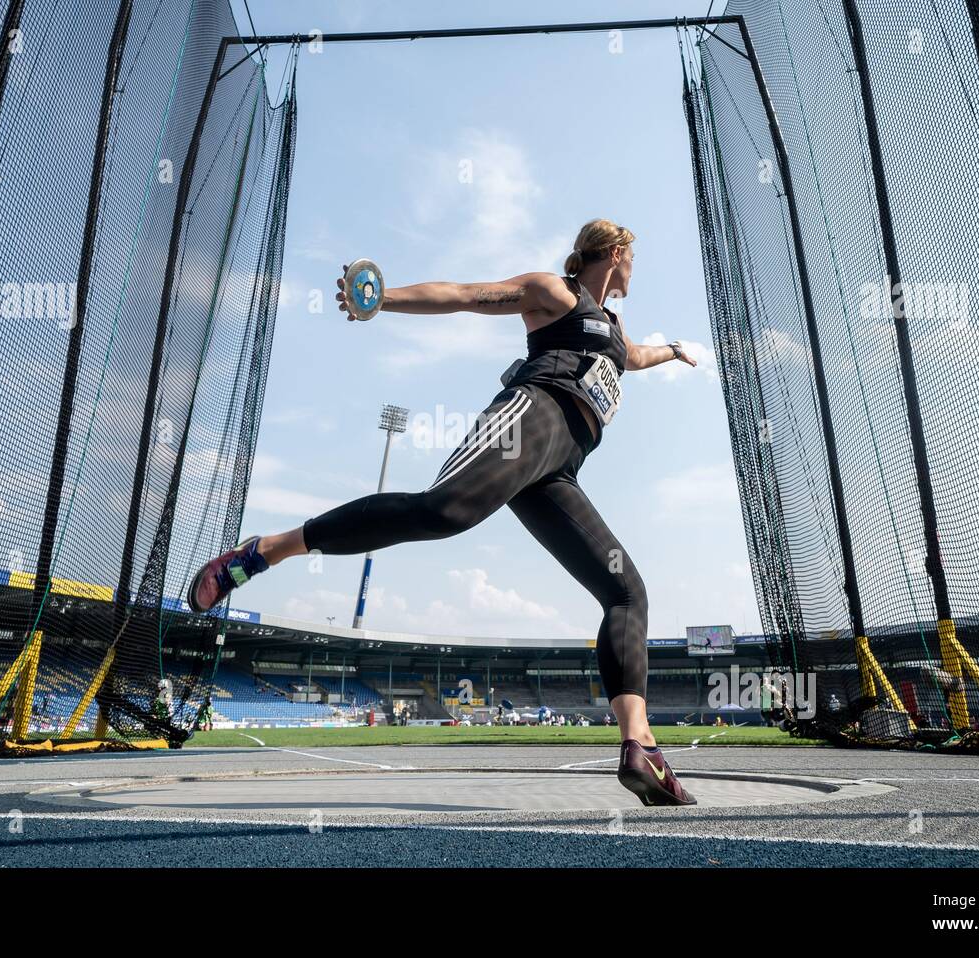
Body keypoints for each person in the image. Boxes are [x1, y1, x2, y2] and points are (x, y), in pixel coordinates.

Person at [187, 219, 697, 807]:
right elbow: (462, 296)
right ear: (614, 252)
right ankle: (268, 549)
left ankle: (641, 748)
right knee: (443, 512)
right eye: (634, 259)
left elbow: (632, 357)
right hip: (530, 420)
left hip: (561, 467)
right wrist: (382, 300)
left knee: (626, 591)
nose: (637, 271)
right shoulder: (555, 294)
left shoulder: (613, 327)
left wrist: (673, 351)